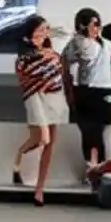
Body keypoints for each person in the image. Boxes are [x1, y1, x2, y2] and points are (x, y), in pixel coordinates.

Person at [12, 15, 69, 206]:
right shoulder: (25, 52)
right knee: (43, 138)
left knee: (49, 143)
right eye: (43, 28)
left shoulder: (50, 50)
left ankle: (39, 188)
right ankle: (20, 157)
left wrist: (52, 63)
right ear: (33, 30)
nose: (46, 32)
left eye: (47, 29)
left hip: (54, 97)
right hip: (34, 96)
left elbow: (59, 70)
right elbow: (26, 73)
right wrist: (45, 67)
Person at [62, 8, 111, 173]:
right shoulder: (76, 43)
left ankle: (101, 165)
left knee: (105, 130)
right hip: (85, 91)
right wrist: (69, 94)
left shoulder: (108, 44)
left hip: (104, 91)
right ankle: (92, 165)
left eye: (99, 24)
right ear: (83, 26)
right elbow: (67, 66)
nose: (97, 28)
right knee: (90, 131)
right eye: (94, 24)